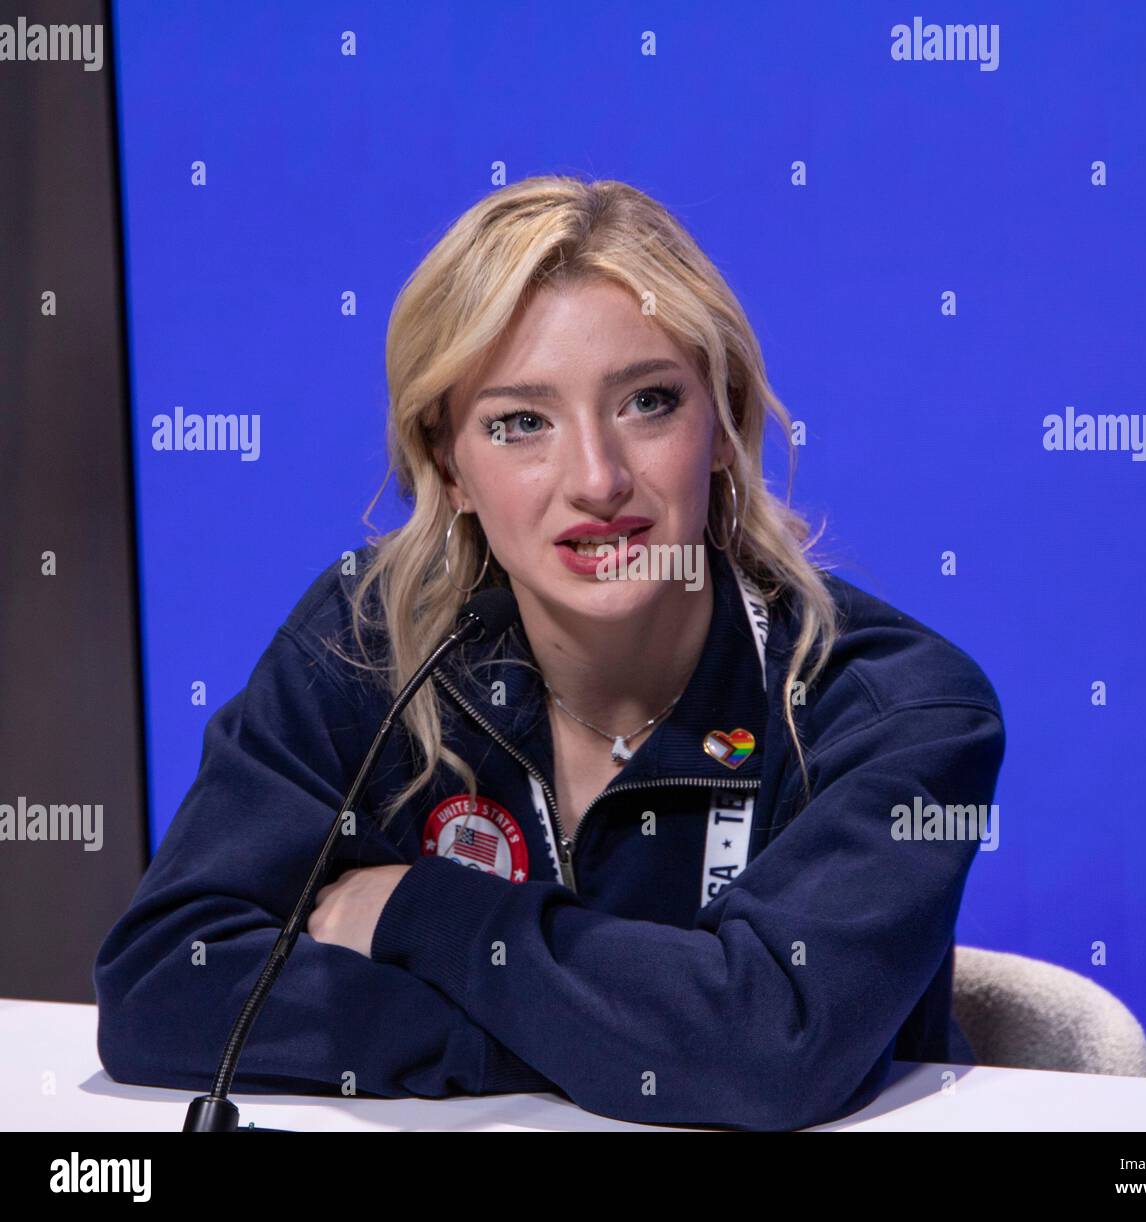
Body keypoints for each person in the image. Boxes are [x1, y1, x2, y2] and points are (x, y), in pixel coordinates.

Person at [94, 175, 1004, 1131]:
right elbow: (167, 979)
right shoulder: (365, 649)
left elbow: (768, 1050)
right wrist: (599, 1039)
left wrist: (422, 914)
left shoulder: (895, 706)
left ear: (725, 425)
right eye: (520, 422)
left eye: (649, 402)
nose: (598, 479)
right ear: (448, 466)